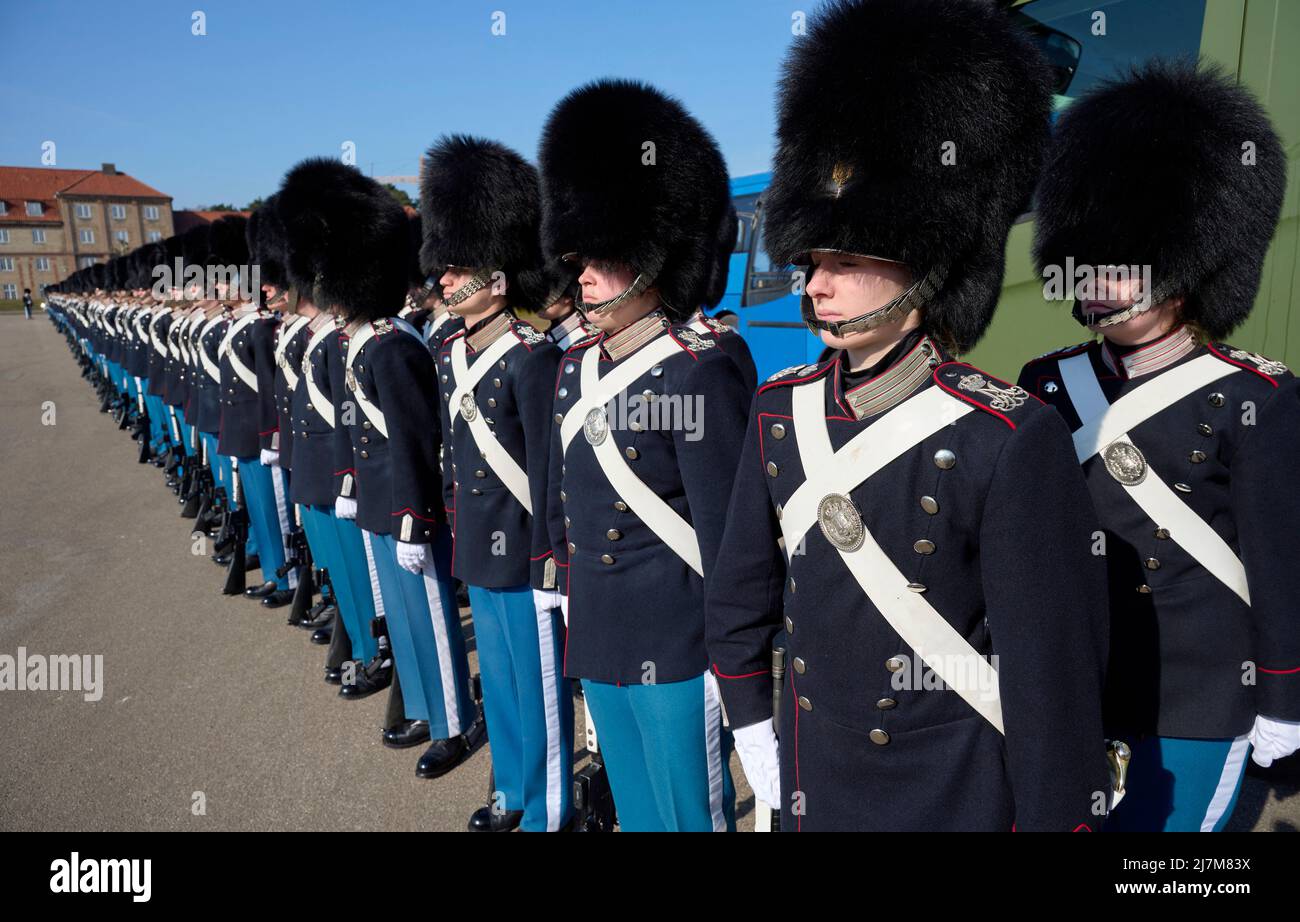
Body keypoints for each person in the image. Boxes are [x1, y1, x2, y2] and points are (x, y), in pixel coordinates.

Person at [705, 0, 1113, 831]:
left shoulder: (1006, 434)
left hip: (942, 790)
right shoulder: (780, 410)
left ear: (925, 268)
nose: (814, 285)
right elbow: (742, 586)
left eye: (847, 261)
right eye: (813, 261)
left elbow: (1046, 677)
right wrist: (749, 715)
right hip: (814, 772)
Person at [1018, 60, 1299, 832]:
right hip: (1079, 684)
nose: (1098, 280)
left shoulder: (1255, 396)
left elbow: (1280, 562)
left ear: (1183, 268)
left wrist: (1284, 692)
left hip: (1198, 690)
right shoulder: (1045, 383)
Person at [539, 78, 749, 831]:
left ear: (652, 254)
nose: (581, 273)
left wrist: (740, 660)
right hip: (599, 627)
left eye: (604, 254)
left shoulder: (699, 367)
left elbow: (729, 539)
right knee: (635, 809)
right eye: (576, 255)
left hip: (677, 634)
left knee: (691, 815)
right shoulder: (574, 368)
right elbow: (568, 498)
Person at [423, 135, 571, 832]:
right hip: (477, 545)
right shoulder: (452, 351)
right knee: (506, 690)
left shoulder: (530, 357)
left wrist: (550, 555)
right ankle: (510, 789)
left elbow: (547, 471)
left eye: (459, 271)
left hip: (521, 546)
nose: (445, 283)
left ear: (499, 277)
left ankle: (546, 807)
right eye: (443, 271)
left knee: (539, 689)